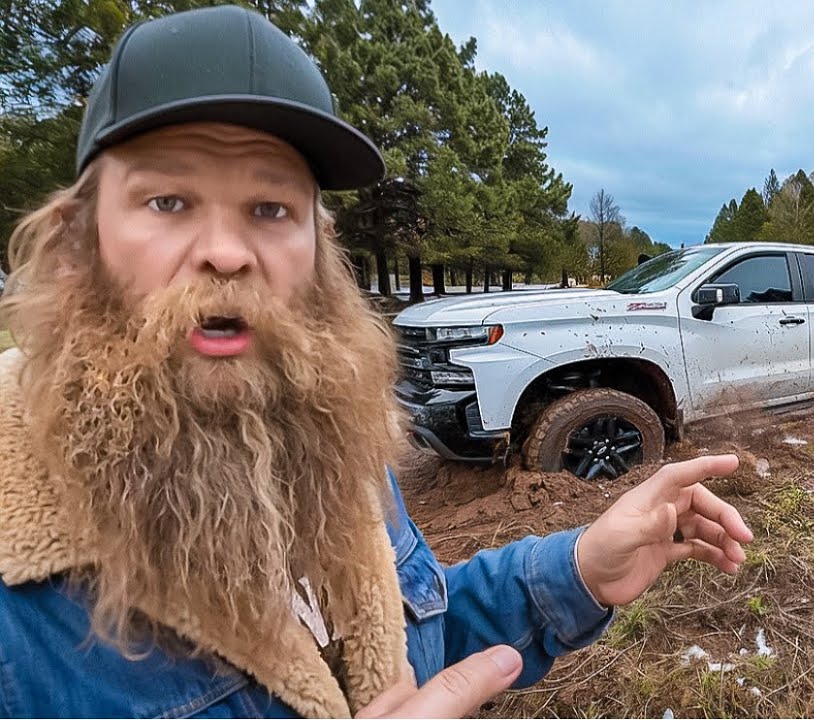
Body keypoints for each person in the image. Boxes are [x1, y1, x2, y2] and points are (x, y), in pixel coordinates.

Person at [0, 6, 752, 718]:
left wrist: (584, 567)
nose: (226, 252)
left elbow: (405, 637)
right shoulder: (18, 603)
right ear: (74, 242)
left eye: (271, 209)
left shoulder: (331, 445)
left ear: (318, 250)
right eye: (167, 201)